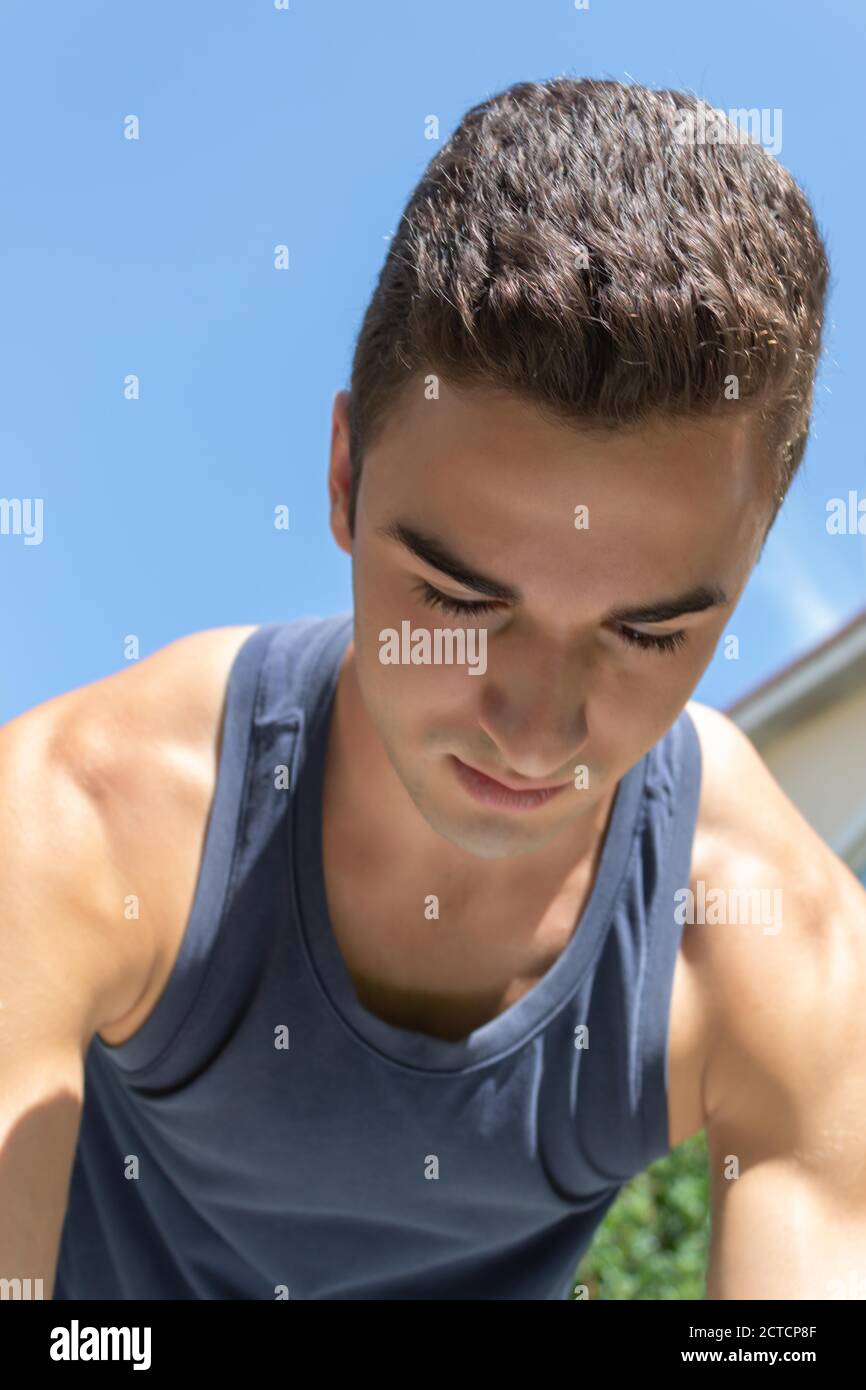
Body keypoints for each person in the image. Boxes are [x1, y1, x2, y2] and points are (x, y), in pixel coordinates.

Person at [3, 77, 865, 1302]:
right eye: (460, 603)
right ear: (345, 476)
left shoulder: (773, 944)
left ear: (746, 572)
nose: (536, 727)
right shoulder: (81, 819)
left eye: (646, 634)